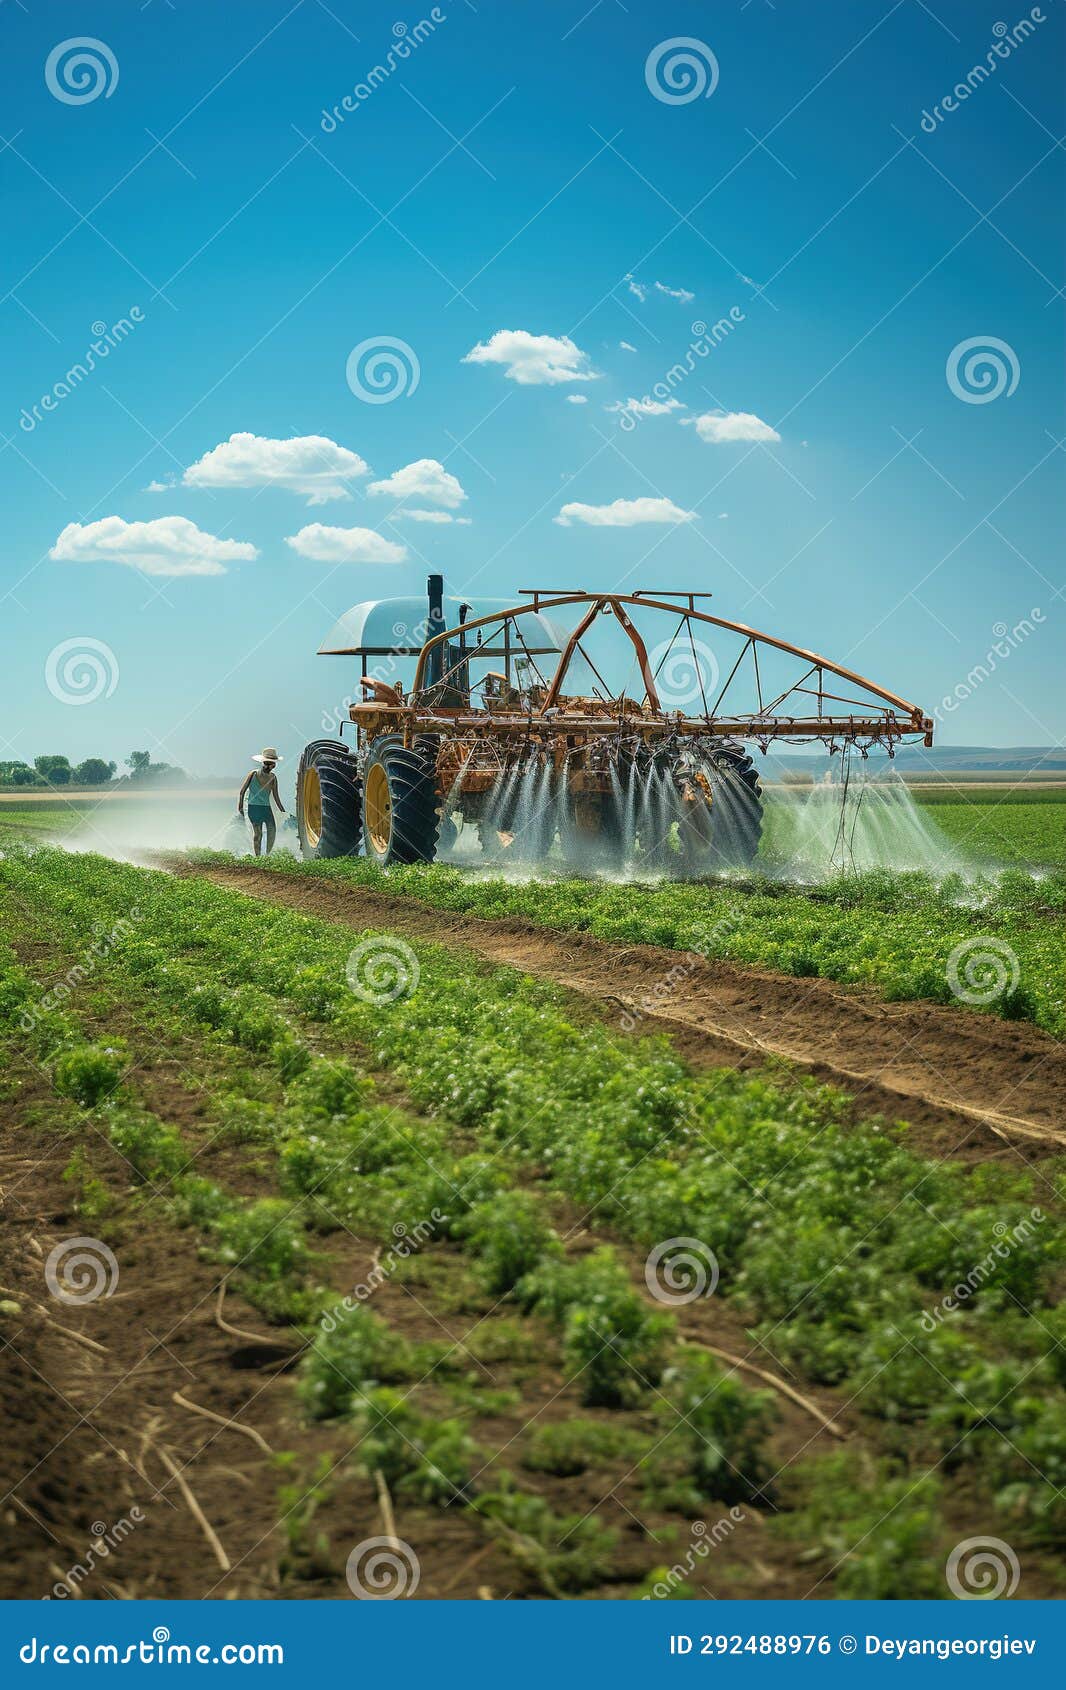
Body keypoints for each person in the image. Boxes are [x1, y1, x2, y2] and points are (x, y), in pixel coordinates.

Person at [238, 749, 286, 856]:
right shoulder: (253, 774)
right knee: (258, 833)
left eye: (271, 764)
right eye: (266, 763)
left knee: (272, 831)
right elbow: (242, 791)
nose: (268, 766)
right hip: (253, 807)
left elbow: (276, 796)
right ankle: (258, 857)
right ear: (262, 763)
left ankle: (267, 855)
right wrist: (240, 806)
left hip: (266, 808)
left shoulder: (273, 778)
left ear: (274, 765)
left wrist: (282, 810)